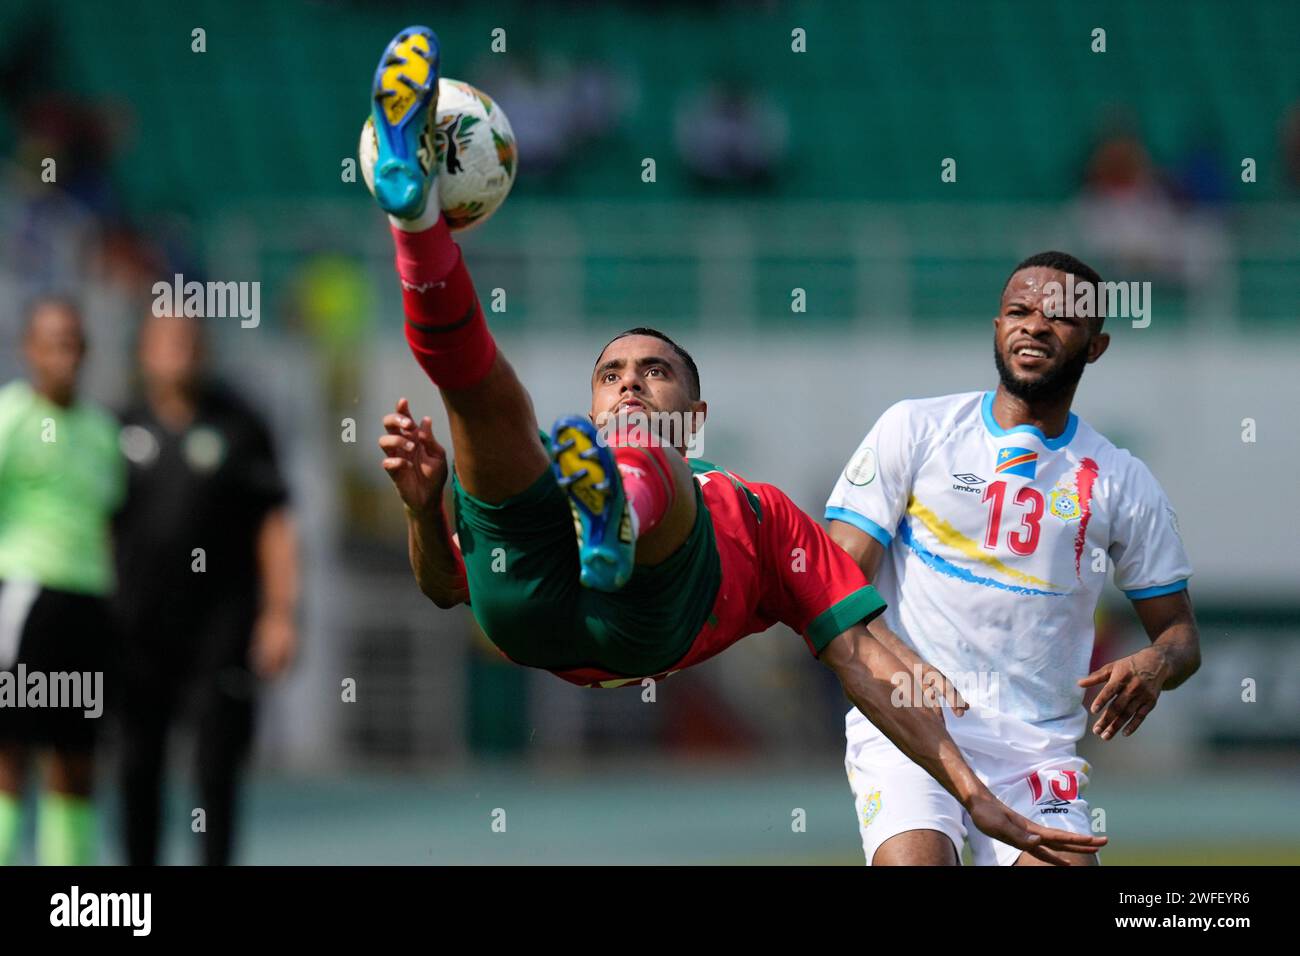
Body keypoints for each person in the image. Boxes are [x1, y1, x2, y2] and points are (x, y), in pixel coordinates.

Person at [365, 25, 1106, 863]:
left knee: (643, 461)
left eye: (654, 371)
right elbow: (443, 588)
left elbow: (864, 656)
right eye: (611, 374)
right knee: (480, 394)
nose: (630, 384)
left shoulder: (758, 514)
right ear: (593, 400)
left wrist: (975, 793)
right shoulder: (551, 455)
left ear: (699, 411)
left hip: (654, 613)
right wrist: (424, 511)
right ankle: (415, 212)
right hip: (529, 600)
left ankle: (621, 521)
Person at [826, 251, 1202, 865]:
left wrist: (1157, 663)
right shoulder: (914, 429)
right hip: (910, 727)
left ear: (1096, 345)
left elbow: (1181, 636)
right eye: (1018, 312)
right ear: (997, 328)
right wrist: (900, 659)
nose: (1034, 325)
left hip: (1037, 752)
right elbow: (831, 586)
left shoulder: (1122, 480)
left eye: (1059, 318)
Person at [113, 311, 298, 865]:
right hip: (137, 628)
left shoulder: (241, 424)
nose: (179, 350)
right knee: (136, 763)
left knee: (217, 766)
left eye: (190, 339)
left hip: (222, 624)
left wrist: (281, 613)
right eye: (166, 340)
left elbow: (275, 525)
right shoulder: (117, 428)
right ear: (143, 351)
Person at [0, 296, 124, 865]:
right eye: (52, 341)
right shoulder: (9, 418)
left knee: (76, 759)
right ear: (30, 349)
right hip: (24, 598)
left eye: (73, 342)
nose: (64, 354)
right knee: (10, 752)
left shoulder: (103, 433)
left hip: (89, 605)